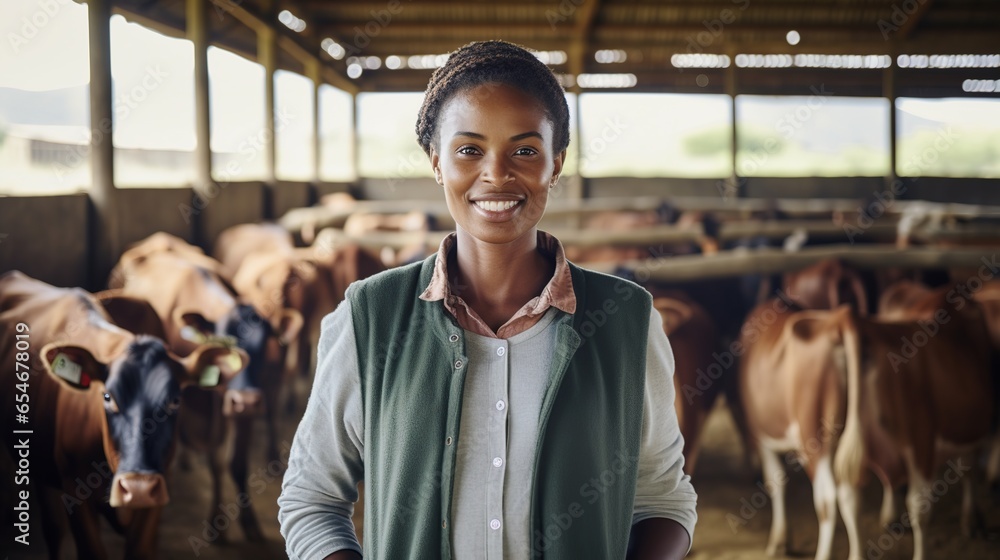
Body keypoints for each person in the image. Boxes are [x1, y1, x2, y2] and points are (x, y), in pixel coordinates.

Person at [278, 40, 697, 560]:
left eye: (524, 150)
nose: (497, 173)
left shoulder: (627, 321)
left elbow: (663, 497)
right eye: (469, 149)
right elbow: (311, 497)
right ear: (437, 162)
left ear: (556, 163)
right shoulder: (369, 318)